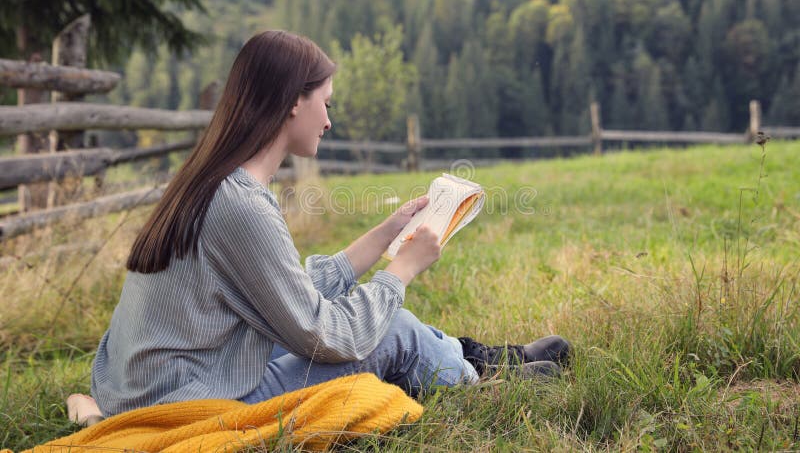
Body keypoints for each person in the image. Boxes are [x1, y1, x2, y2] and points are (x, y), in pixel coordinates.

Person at [90, 30, 571, 417]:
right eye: (327, 102)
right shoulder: (241, 206)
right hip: (190, 405)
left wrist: (385, 233)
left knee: (369, 316)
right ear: (292, 101)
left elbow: (284, 292)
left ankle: (468, 358)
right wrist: (401, 270)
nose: (329, 120)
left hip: (155, 385)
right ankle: (477, 381)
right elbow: (326, 335)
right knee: (391, 330)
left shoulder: (214, 183)